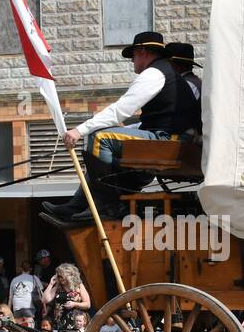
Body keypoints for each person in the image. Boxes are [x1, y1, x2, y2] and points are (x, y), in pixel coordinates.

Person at [42, 31, 199, 223]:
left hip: (171, 141)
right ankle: (79, 204)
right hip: (174, 137)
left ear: (142, 52)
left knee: (99, 139)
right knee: (100, 150)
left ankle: (108, 206)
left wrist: (79, 130)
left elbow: (120, 111)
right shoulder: (165, 72)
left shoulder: (154, 74)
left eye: (133, 55)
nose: (132, 61)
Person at [43, 263, 91, 332]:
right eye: (58, 276)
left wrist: (74, 304)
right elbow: (44, 300)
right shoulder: (58, 286)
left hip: (75, 321)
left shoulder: (78, 286)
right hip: (59, 321)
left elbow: (87, 304)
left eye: (61, 276)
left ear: (69, 276)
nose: (60, 278)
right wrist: (51, 284)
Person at [166, 41, 203, 136]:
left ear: (176, 65)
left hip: (185, 137)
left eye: (166, 63)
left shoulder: (187, 84)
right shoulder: (192, 82)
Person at [8, 261, 44, 329]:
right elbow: (41, 292)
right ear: (30, 269)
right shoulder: (34, 278)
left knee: (18, 327)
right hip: (28, 305)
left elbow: (10, 297)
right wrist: (44, 306)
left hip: (16, 306)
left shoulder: (14, 280)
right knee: (29, 326)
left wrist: (8, 310)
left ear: (21, 269)